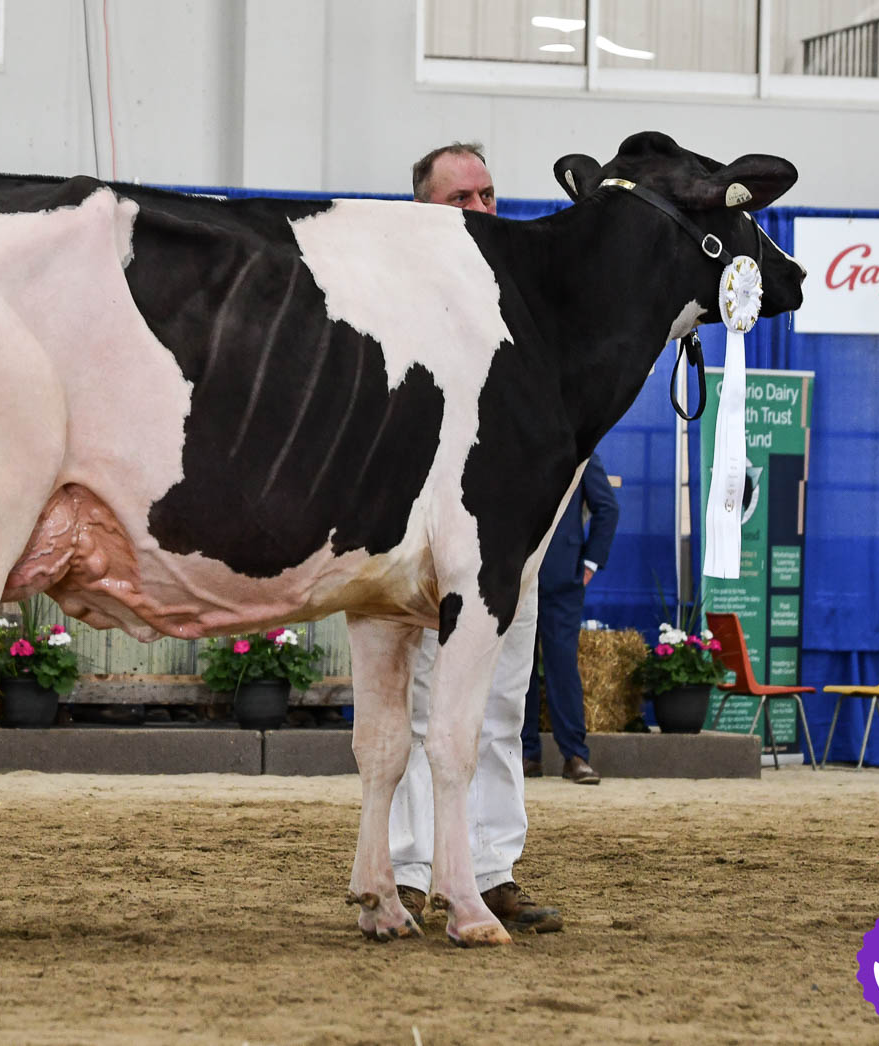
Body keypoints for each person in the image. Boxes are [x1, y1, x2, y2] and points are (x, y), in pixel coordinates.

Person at [387, 142, 562, 935]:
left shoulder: (521, 299)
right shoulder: (393, 298)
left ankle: (491, 869)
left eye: (488, 196)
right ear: (423, 208)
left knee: (500, 702)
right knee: (420, 703)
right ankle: (409, 869)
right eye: (461, 199)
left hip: (508, 538)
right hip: (414, 541)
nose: (481, 211)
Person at [523, 453, 619, 784]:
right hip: (516, 579)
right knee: (517, 669)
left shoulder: (578, 449)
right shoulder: (514, 441)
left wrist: (590, 563)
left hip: (563, 582)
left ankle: (575, 756)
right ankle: (524, 754)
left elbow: (608, 507)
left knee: (561, 666)